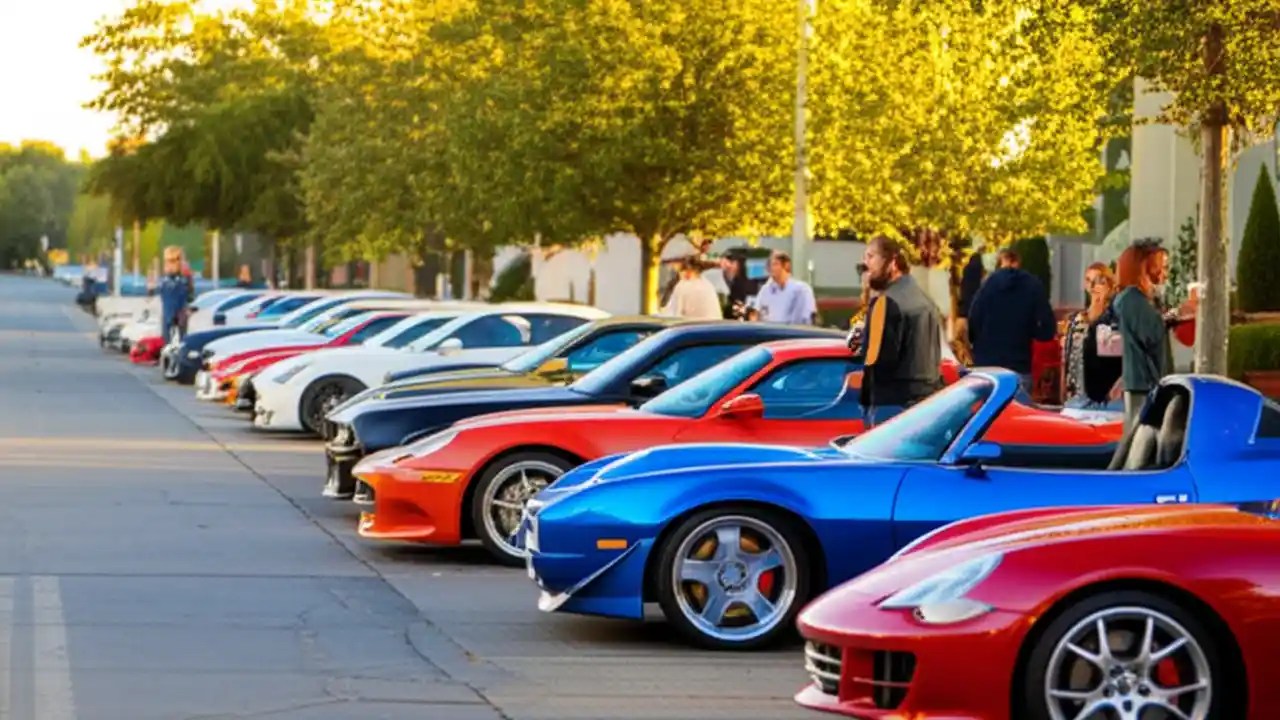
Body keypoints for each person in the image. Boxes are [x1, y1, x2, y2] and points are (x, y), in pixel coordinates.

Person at [858, 236, 942, 426]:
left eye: (871, 257)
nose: (866, 264)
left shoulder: (885, 303)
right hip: (927, 404)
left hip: (890, 408)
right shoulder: (925, 301)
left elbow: (873, 361)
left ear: (893, 262)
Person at [967, 247, 1056, 393]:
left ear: (999, 263)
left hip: (986, 368)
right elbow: (1047, 330)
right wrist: (1029, 331)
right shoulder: (1033, 285)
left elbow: (973, 322)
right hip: (1018, 366)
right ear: (1019, 263)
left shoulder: (987, 286)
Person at [1112, 243, 1169, 429]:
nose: (1164, 273)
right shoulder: (1132, 299)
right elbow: (1151, 332)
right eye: (1161, 266)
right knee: (1142, 438)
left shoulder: (1135, 300)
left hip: (1144, 382)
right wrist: (1174, 316)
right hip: (1143, 383)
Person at [1062, 263, 1123, 409]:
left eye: (1099, 281)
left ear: (1109, 285)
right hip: (1077, 393)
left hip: (1104, 394)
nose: (1093, 286)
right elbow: (1069, 355)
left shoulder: (1114, 317)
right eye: (1088, 280)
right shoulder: (1078, 319)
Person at [755, 250, 817, 324]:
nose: (772, 268)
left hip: (793, 333)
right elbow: (757, 314)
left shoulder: (801, 289)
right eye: (770, 265)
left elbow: (807, 317)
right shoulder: (765, 290)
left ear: (786, 265)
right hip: (768, 333)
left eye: (775, 264)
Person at [660, 256, 723, 320]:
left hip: (692, 328)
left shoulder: (682, 286)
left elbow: (672, 316)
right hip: (713, 328)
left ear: (687, 272)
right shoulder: (708, 285)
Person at [157, 246, 192, 343]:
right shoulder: (181, 276)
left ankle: (171, 349)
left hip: (172, 308)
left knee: (169, 337)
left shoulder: (166, 278)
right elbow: (189, 292)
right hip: (176, 308)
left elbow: (162, 293)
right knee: (178, 337)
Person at [719, 250, 756, 320]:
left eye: (732, 263)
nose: (729, 266)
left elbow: (738, 310)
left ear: (738, 265)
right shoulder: (748, 282)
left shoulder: (738, 285)